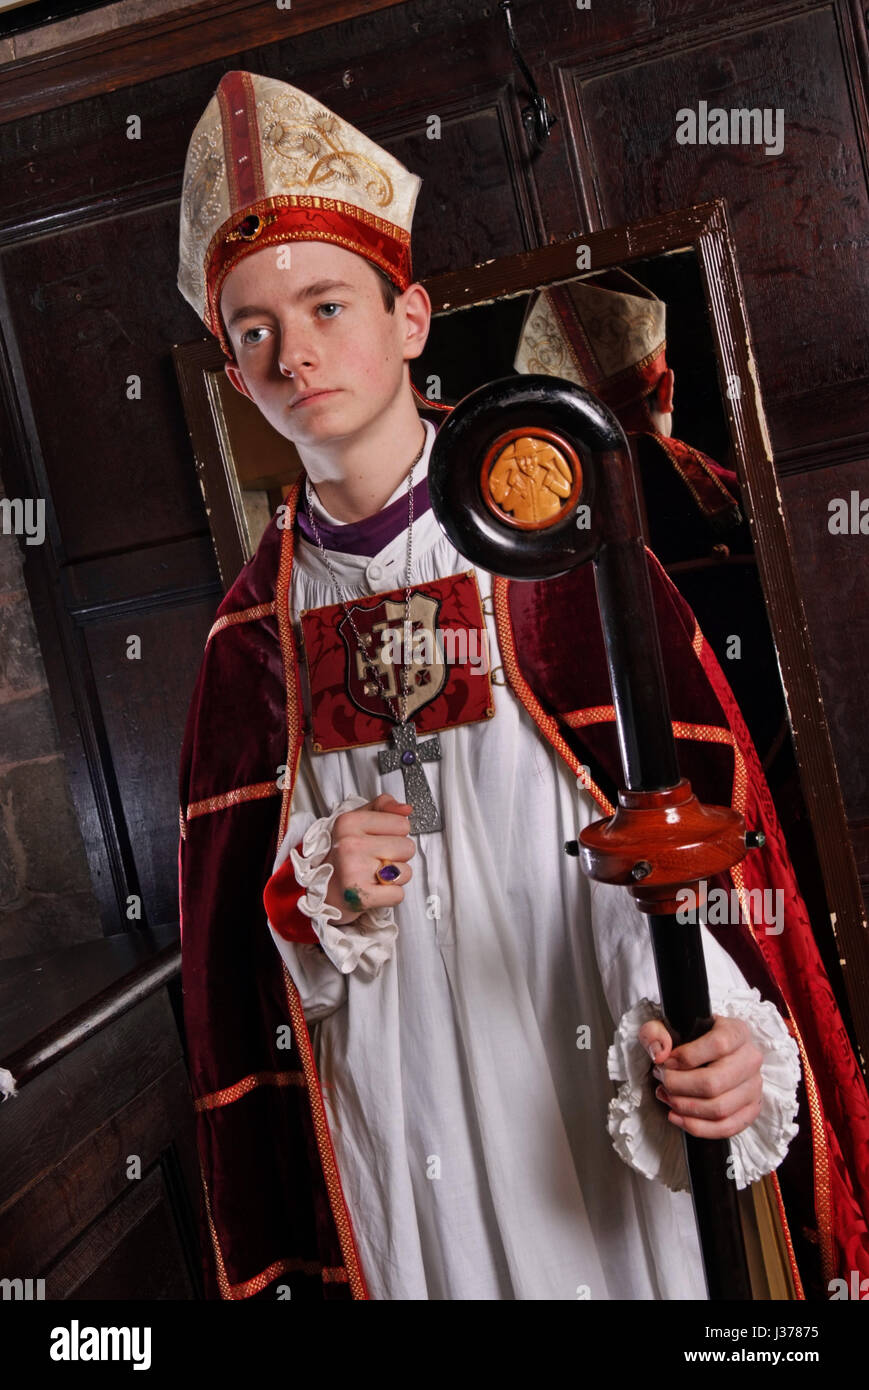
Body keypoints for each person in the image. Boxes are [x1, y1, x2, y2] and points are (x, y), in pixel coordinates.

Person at [176, 70, 869, 1301]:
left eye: (327, 304)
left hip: (599, 1082)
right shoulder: (246, 643)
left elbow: (703, 839)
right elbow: (245, 981)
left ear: (409, 319)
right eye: (253, 330)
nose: (294, 351)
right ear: (234, 377)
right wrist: (311, 901)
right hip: (407, 1125)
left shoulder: (565, 538)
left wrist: (722, 1033)